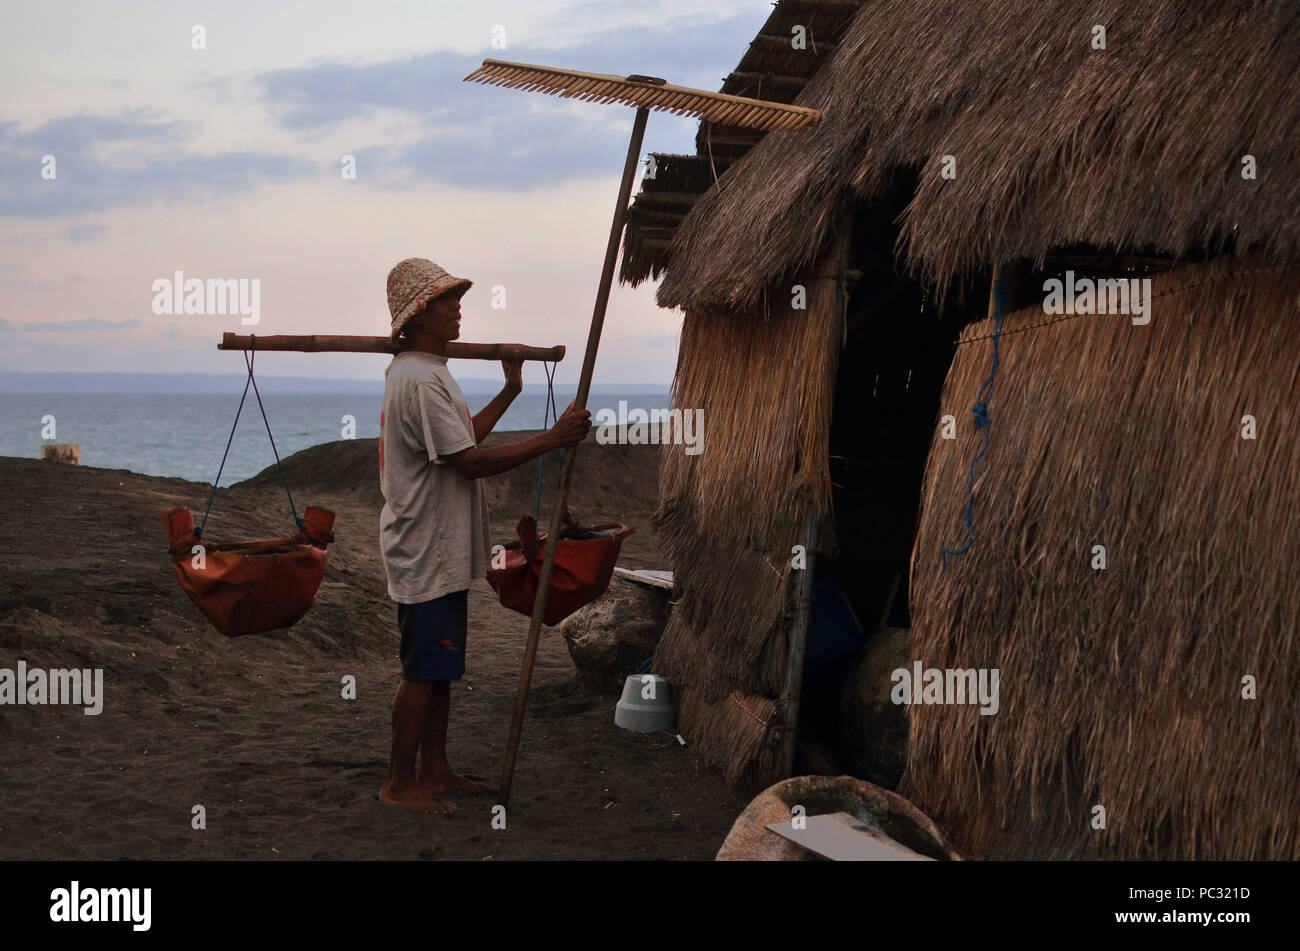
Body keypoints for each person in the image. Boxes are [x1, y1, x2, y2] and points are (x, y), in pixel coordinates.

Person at [377, 257, 591, 815]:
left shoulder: (428, 371)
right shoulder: (418, 379)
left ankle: (437, 769)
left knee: (441, 667)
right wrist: (554, 437)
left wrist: (513, 390)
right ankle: (400, 782)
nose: (457, 307)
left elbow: (460, 437)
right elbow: (469, 463)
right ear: (420, 314)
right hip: (424, 548)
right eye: (446, 300)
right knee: (422, 671)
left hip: (441, 547)